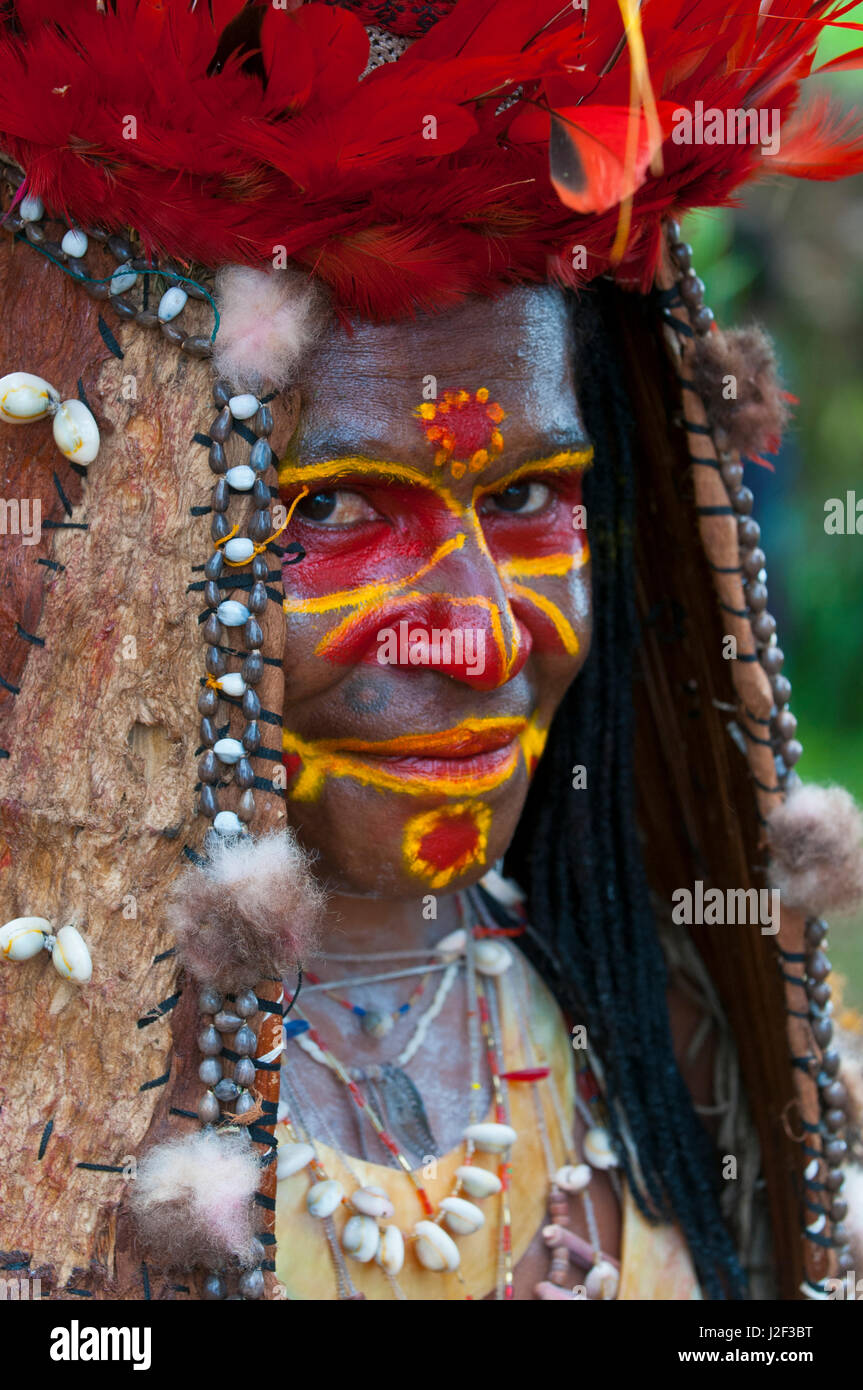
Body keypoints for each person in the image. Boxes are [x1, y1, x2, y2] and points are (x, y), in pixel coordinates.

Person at [0, 0, 862, 1303]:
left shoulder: (701, 1043)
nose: (473, 634)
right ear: (128, 538)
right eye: (332, 506)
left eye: (525, 498)